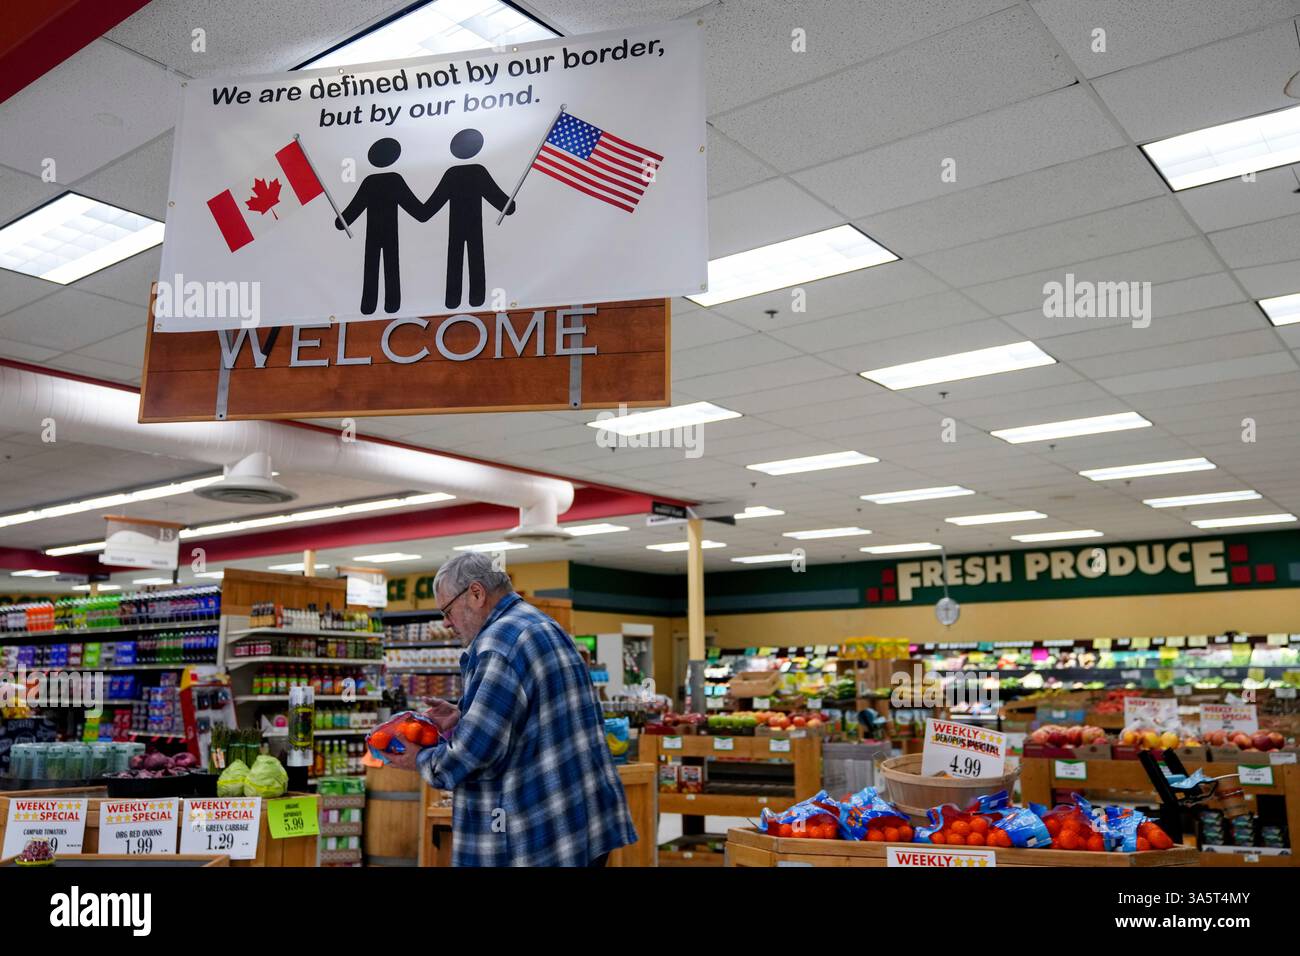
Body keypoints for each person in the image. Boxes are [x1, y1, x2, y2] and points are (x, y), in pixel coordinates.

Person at [383, 551, 635, 866]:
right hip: (580, 821)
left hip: (538, 836)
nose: (446, 623)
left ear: (476, 593)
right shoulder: (539, 623)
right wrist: (464, 713)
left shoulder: (498, 644)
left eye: (447, 610)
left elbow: (472, 754)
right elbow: (533, 709)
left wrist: (419, 759)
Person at [334, 137, 431, 315]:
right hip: (390, 233)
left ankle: (368, 305)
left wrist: (341, 221)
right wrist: (427, 211)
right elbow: (417, 210)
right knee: (391, 265)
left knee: (371, 266)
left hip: (373, 233)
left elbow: (353, 210)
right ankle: (392, 304)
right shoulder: (395, 180)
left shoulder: (370, 182)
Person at [424, 128, 516, 310]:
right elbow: (500, 200)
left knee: (455, 259)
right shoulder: (478, 172)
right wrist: (509, 205)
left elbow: (431, 207)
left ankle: (452, 300)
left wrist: (420, 212)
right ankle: (476, 299)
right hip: (474, 225)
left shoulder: (452, 174)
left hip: (457, 226)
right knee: (476, 259)